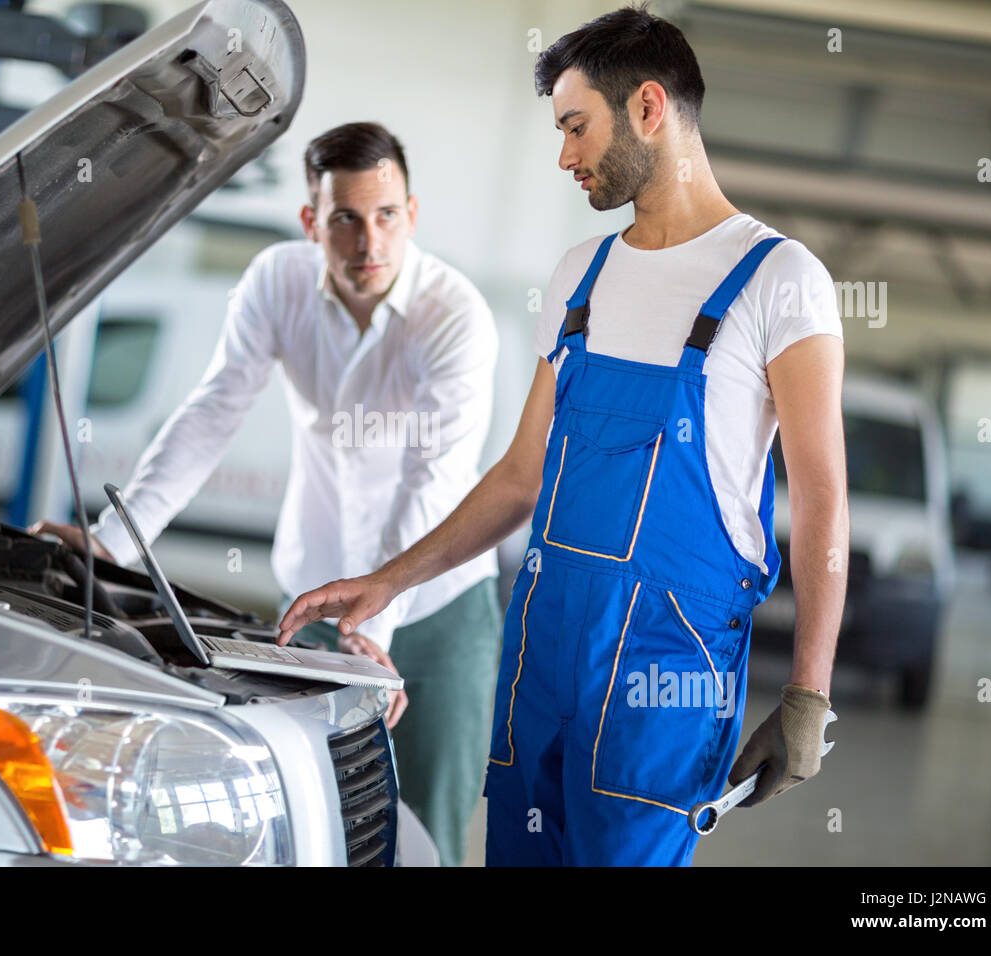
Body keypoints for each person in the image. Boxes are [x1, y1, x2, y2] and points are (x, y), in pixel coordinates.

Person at [278, 6, 849, 866]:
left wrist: (808, 692)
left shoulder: (780, 280)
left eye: (577, 127)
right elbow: (520, 476)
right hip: (541, 657)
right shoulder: (580, 275)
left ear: (649, 108)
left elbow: (820, 498)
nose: (564, 156)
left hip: (668, 669)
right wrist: (386, 585)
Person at [32, 122, 502, 868]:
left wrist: (381, 616)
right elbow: (213, 411)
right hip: (312, 599)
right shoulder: (276, 282)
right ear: (312, 222)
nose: (367, 241)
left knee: (426, 828)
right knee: (315, 815)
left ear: (412, 214)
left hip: (437, 608)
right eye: (345, 218)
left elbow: (433, 476)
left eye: (385, 217)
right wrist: (115, 541)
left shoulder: (455, 317)